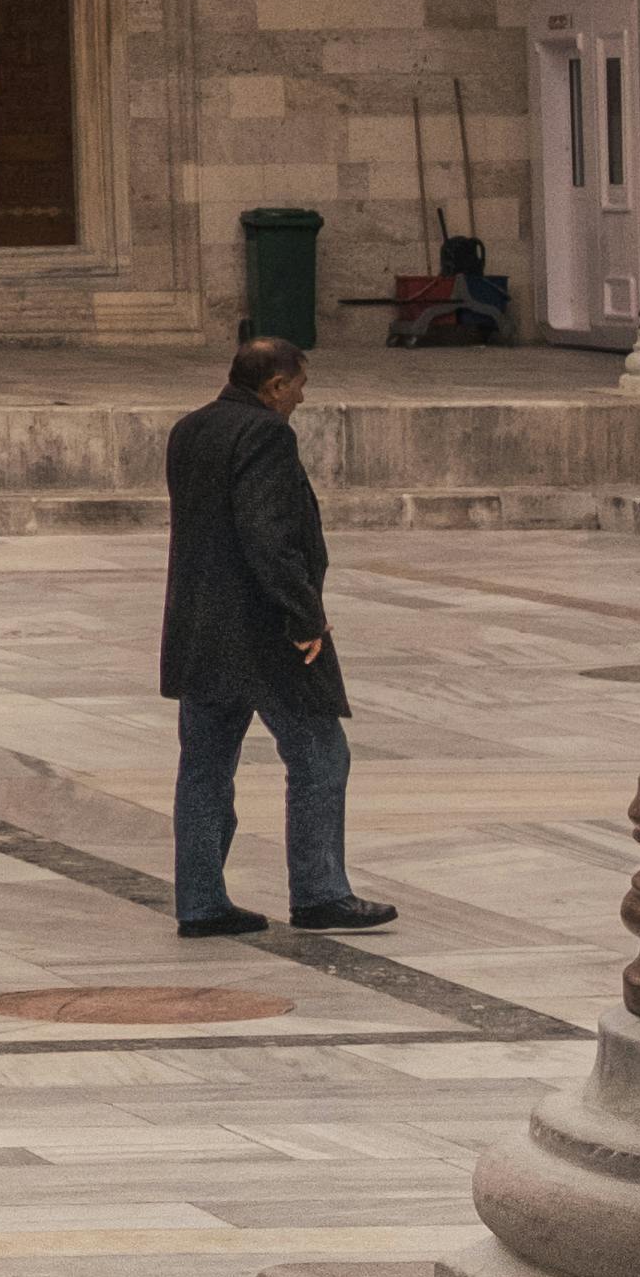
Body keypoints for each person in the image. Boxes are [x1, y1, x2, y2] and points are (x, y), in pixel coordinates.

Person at [162, 331, 391, 935]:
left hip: (200, 630)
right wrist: (305, 616)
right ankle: (320, 893)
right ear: (275, 386)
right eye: (299, 388)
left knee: (205, 766)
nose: (301, 400)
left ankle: (201, 902)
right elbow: (268, 536)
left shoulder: (190, 428)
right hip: (262, 631)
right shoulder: (264, 433)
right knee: (319, 755)